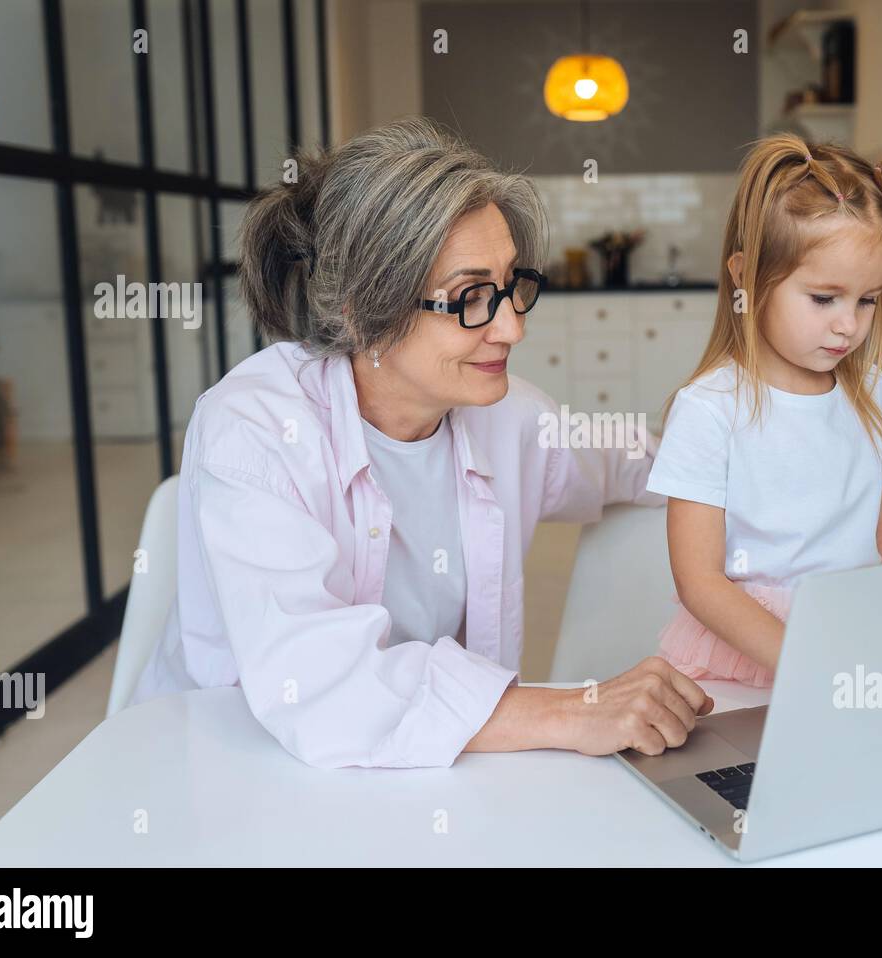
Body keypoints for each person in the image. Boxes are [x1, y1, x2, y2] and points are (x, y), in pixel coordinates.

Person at [130, 116, 714, 766]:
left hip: (421, 779)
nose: (512, 328)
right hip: (229, 772)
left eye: (511, 286)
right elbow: (318, 685)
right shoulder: (254, 429)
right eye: (470, 297)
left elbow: (637, 461)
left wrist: (759, 443)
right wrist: (575, 710)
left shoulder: (508, 417)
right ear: (360, 308)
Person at [645, 135, 882, 688]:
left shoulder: (872, 394)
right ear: (746, 276)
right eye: (824, 298)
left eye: (867, 300)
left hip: (855, 640)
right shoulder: (711, 410)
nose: (849, 324)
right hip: (751, 655)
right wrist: (809, 663)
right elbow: (700, 581)